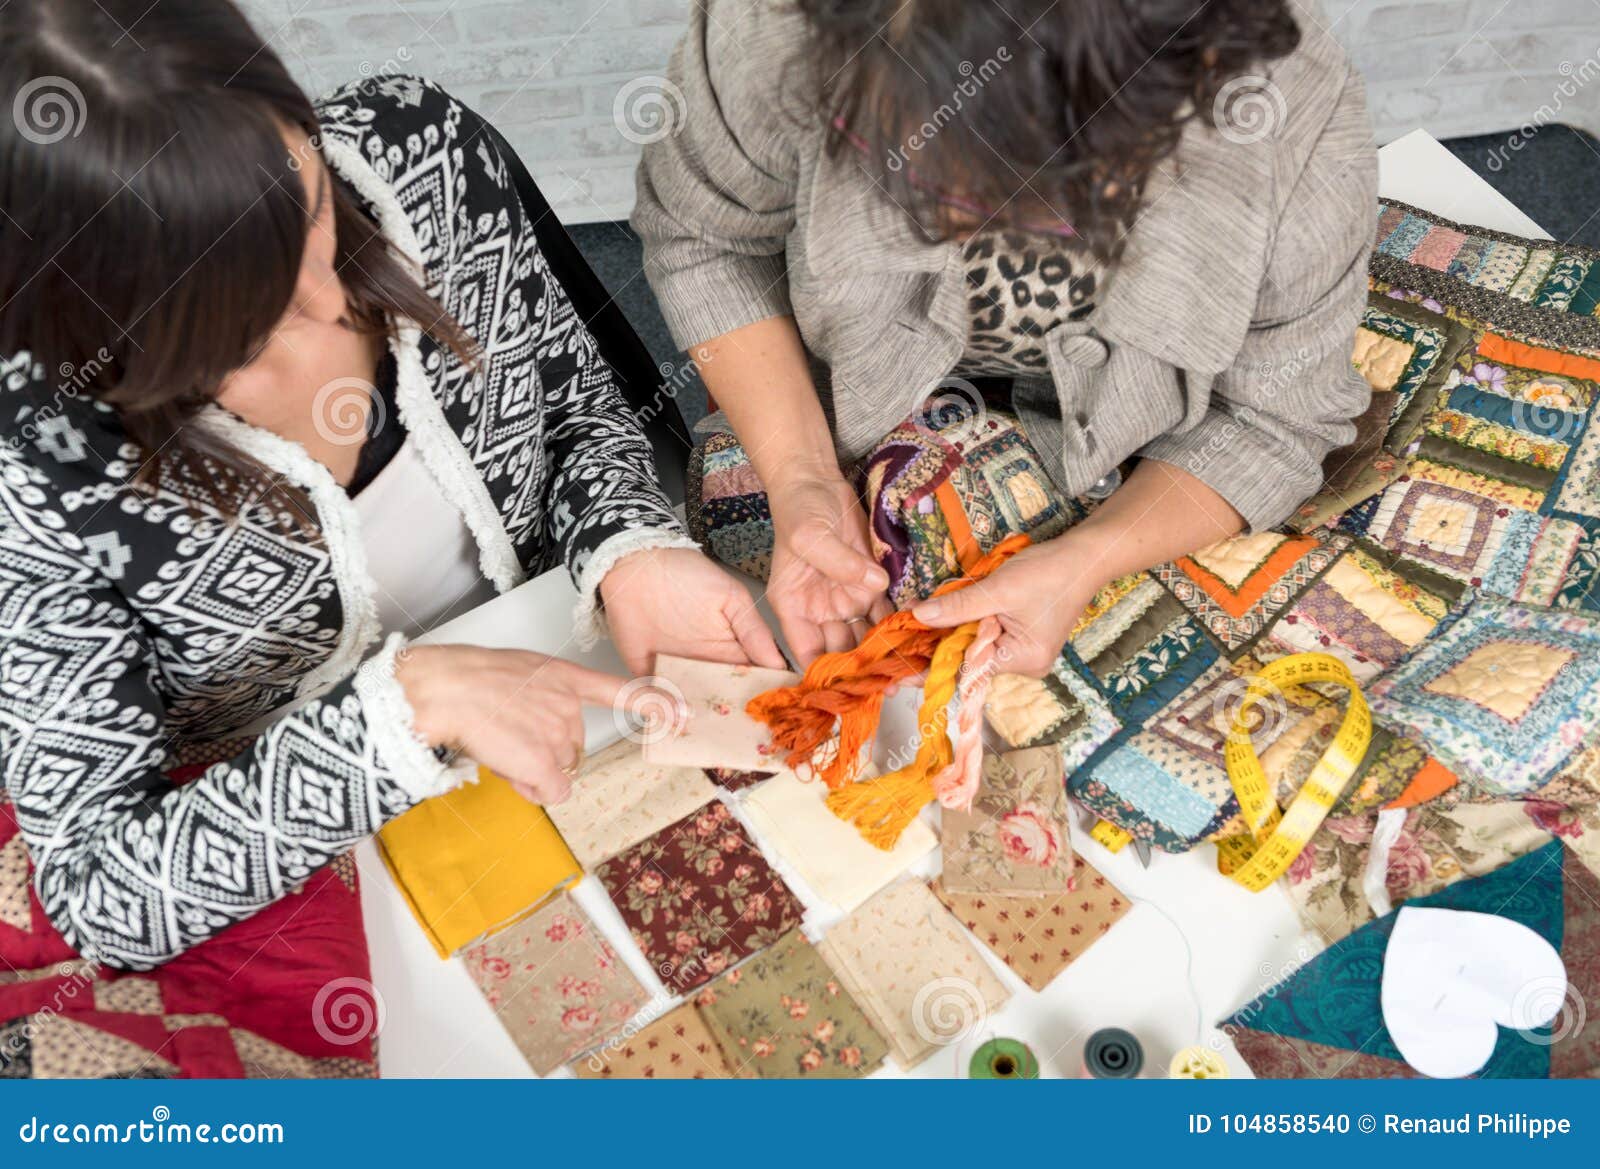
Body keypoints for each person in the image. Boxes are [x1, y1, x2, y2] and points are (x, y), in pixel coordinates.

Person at [0, 0, 783, 970]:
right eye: (256, 316)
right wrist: (400, 711)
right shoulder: (30, 468)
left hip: (583, 663)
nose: (332, 298)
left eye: (315, 203)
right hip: (322, 828)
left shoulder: (421, 148)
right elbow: (97, 893)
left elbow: (576, 401)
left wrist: (628, 539)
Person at [635, 0, 1377, 674]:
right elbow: (707, 238)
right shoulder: (775, 24)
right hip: (819, 387)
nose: (951, 225)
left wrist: (1088, 559)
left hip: (1140, 460)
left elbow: (1271, 418)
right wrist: (801, 476)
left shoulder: (1289, 119)